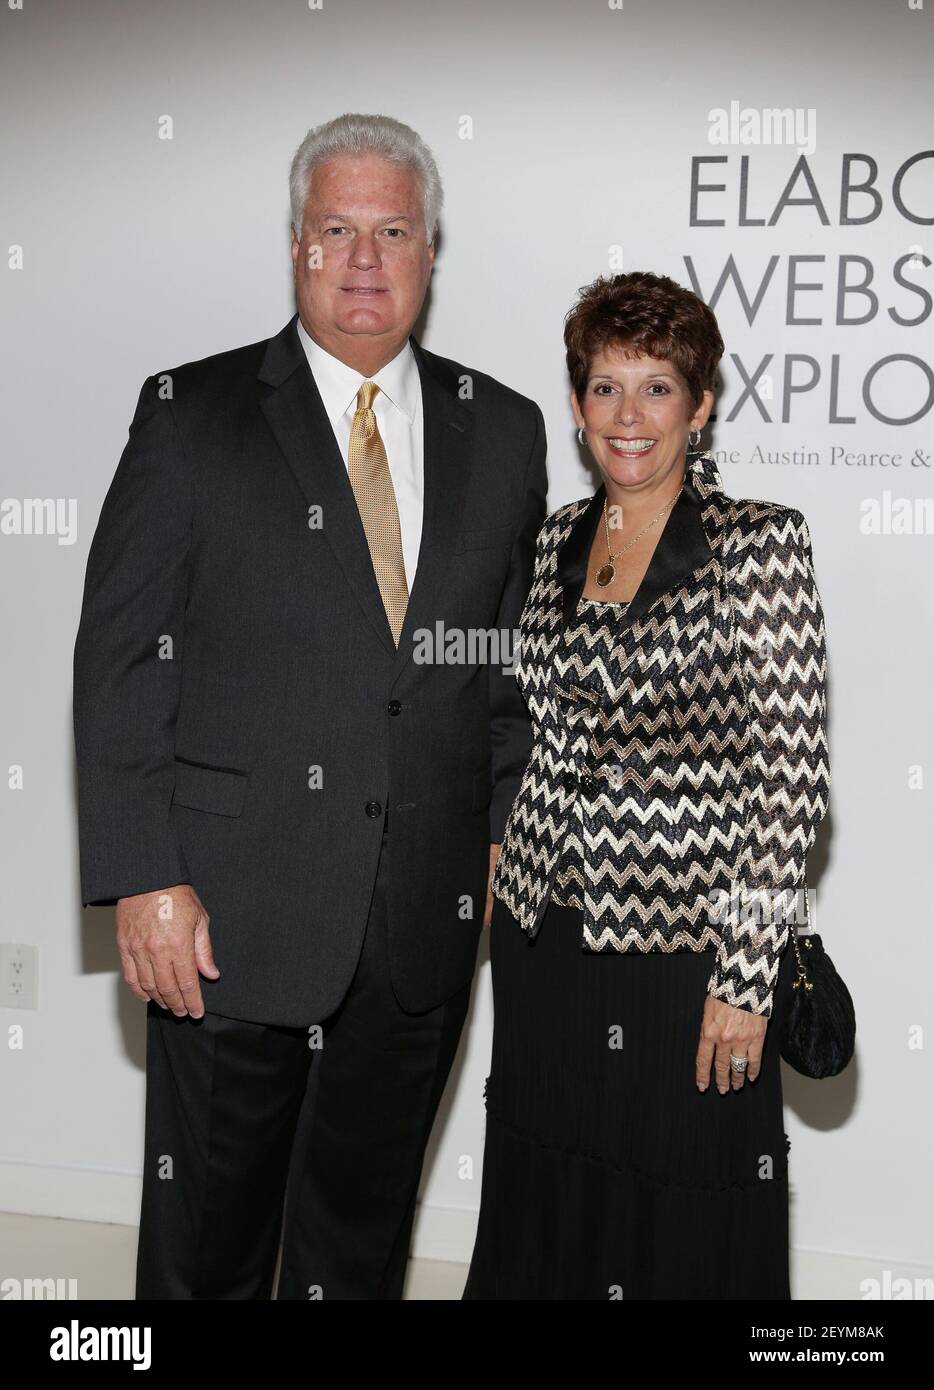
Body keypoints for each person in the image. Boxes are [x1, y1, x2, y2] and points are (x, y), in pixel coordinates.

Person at [72, 112, 547, 1300]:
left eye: (392, 230)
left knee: (357, 1247)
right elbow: (121, 659)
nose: (365, 260)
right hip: (226, 923)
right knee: (206, 1253)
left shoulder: (507, 430)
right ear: (295, 243)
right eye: (337, 229)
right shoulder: (193, 413)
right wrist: (143, 872)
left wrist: (496, 829)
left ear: (431, 248)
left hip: (417, 927)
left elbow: (500, 664)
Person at [463, 270, 831, 1300]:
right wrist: (502, 850)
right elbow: (525, 724)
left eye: (656, 388)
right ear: (578, 404)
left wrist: (746, 974)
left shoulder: (756, 541)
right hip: (545, 941)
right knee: (548, 1185)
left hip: (686, 950)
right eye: (604, 387)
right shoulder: (550, 543)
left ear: (700, 404)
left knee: (688, 1193)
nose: (628, 417)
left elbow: (793, 774)